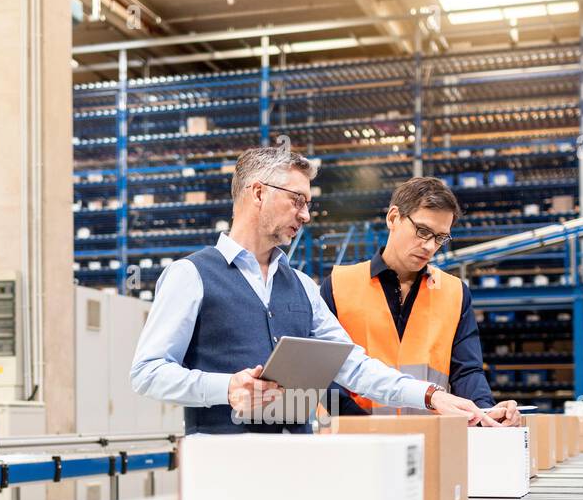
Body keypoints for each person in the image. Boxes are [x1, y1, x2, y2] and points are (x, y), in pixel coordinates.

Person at [130, 146, 499, 434]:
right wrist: (225, 387)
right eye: (297, 200)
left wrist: (432, 396)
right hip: (220, 460)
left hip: (297, 458)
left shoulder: (303, 287)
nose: (306, 215)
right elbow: (147, 373)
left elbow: (353, 366)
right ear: (258, 193)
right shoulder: (190, 275)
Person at [319, 177, 520, 425]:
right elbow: (323, 374)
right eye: (422, 231)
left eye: (440, 238)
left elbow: (466, 371)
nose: (429, 246)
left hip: (429, 441)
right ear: (393, 218)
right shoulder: (338, 285)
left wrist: (487, 414)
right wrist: (363, 427)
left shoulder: (455, 292)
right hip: (353, 440)